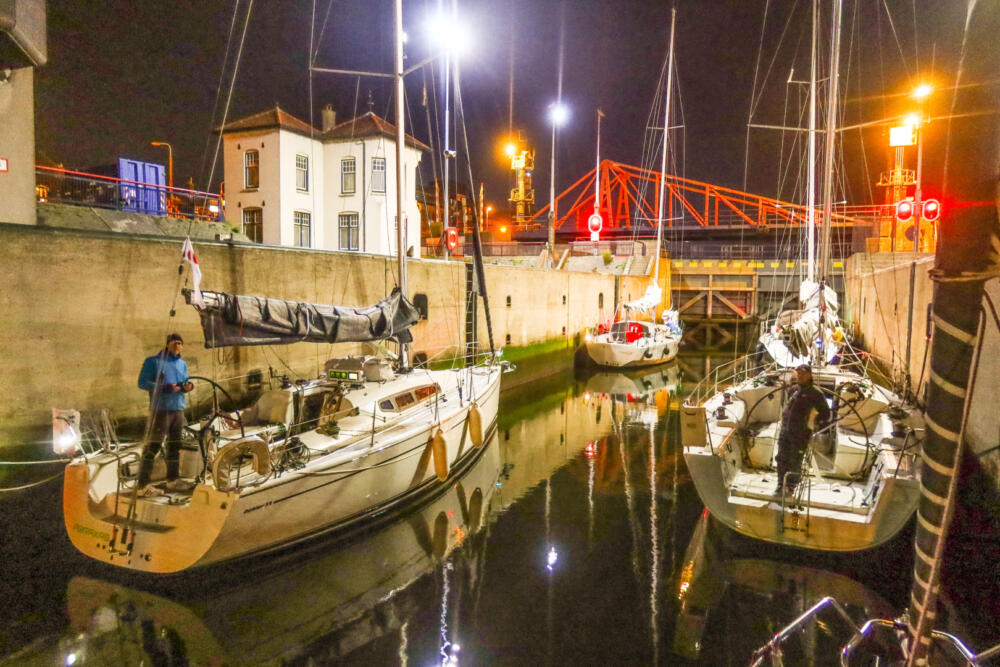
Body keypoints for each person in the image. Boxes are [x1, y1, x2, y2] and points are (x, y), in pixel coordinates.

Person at [136, 333, 195, 494]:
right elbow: (142, 383)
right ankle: (142, 485)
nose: (178, 345)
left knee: (174, 446)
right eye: (175, 342)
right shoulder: (153, 361)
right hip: (161, 410)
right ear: (167, 343)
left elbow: (184, 381)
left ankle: (172, 480)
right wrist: (164, 388)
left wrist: (187, 387)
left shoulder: (182, 363)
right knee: (153, 447)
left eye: (180, 343)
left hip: (178, 410)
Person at [775, 364, 831, 495]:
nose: (800, 375)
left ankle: (791, 486)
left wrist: (813, 422)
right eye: (798, 373)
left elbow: (826, 414)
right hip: (785, 431)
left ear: (809, 375)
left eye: (803, 373)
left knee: (795, 460)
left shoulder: (816, 393)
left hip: (800, 433)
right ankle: (780, 483)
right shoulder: (793, 389)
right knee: (781, 458)